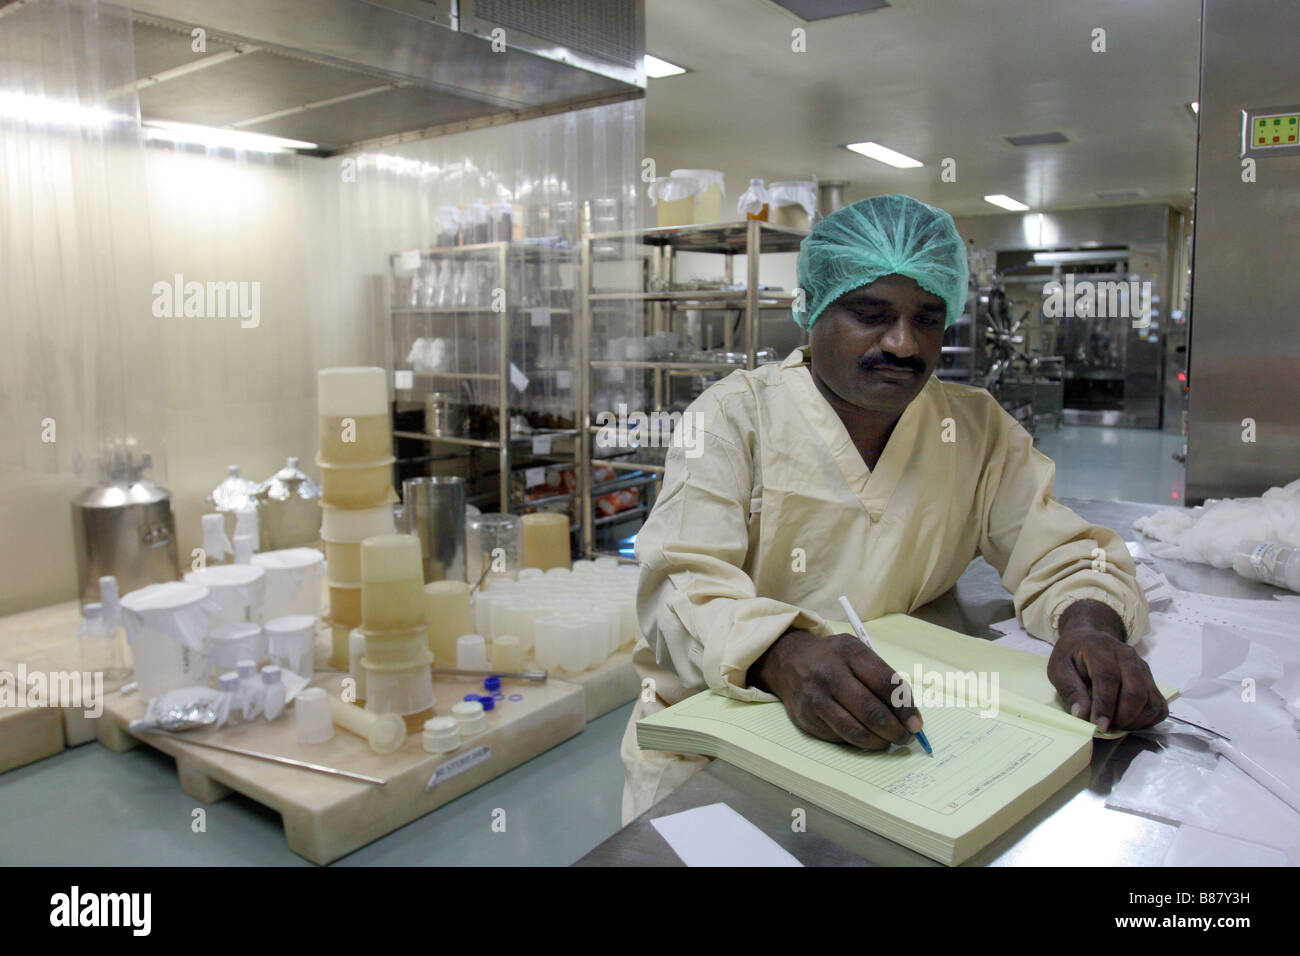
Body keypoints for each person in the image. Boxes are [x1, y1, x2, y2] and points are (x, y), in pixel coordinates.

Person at [621, 194, 1167, 824]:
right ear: (815, 309)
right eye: (870, 313)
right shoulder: (732, 418)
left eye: (928, 318)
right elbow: (680, 585)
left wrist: (1089, 628)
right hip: (724, 747)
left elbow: (1062, 550)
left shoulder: (973, 429)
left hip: (896, 748)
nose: (904, 343)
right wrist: (781, 654)